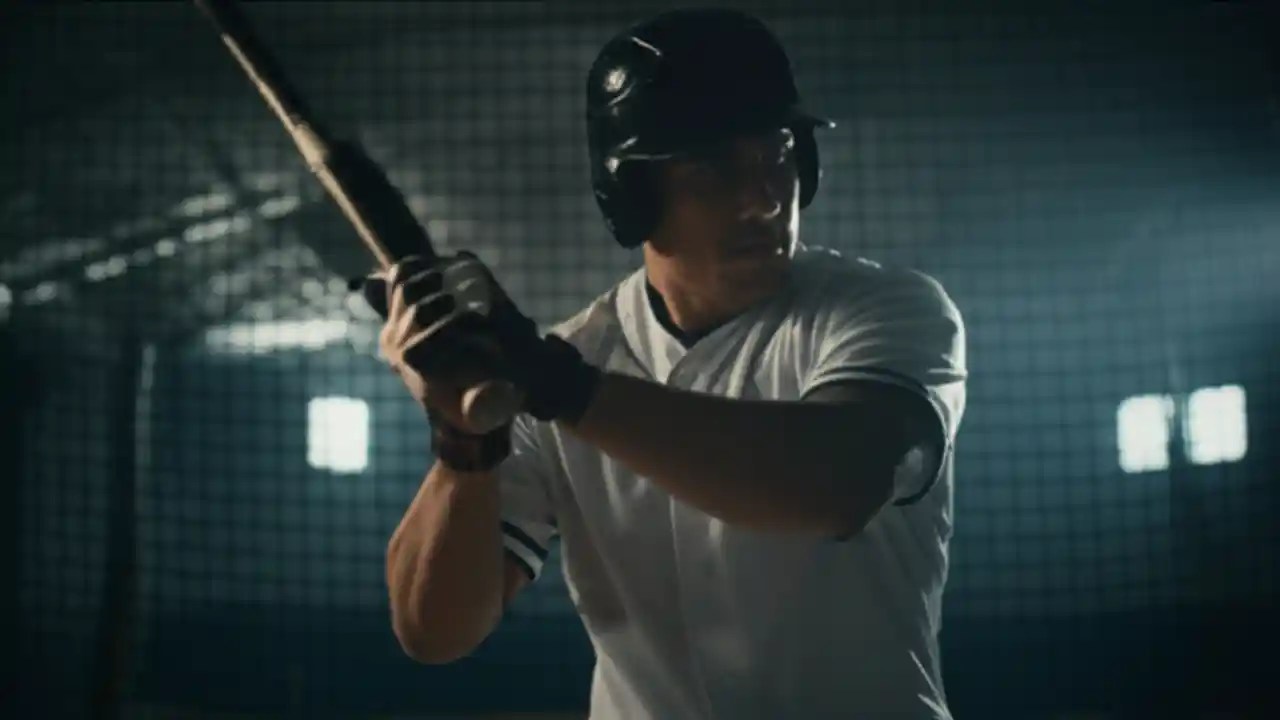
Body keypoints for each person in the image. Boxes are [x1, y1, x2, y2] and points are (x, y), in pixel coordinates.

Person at [369, 8, 967, 719]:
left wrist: (556, 385)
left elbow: (835, 483)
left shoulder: (887, 310)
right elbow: (433, 630)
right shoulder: (572, 357)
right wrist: (463, 441)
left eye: (778, 154)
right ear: (630, 192)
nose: (765, 197)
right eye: (713, 168)